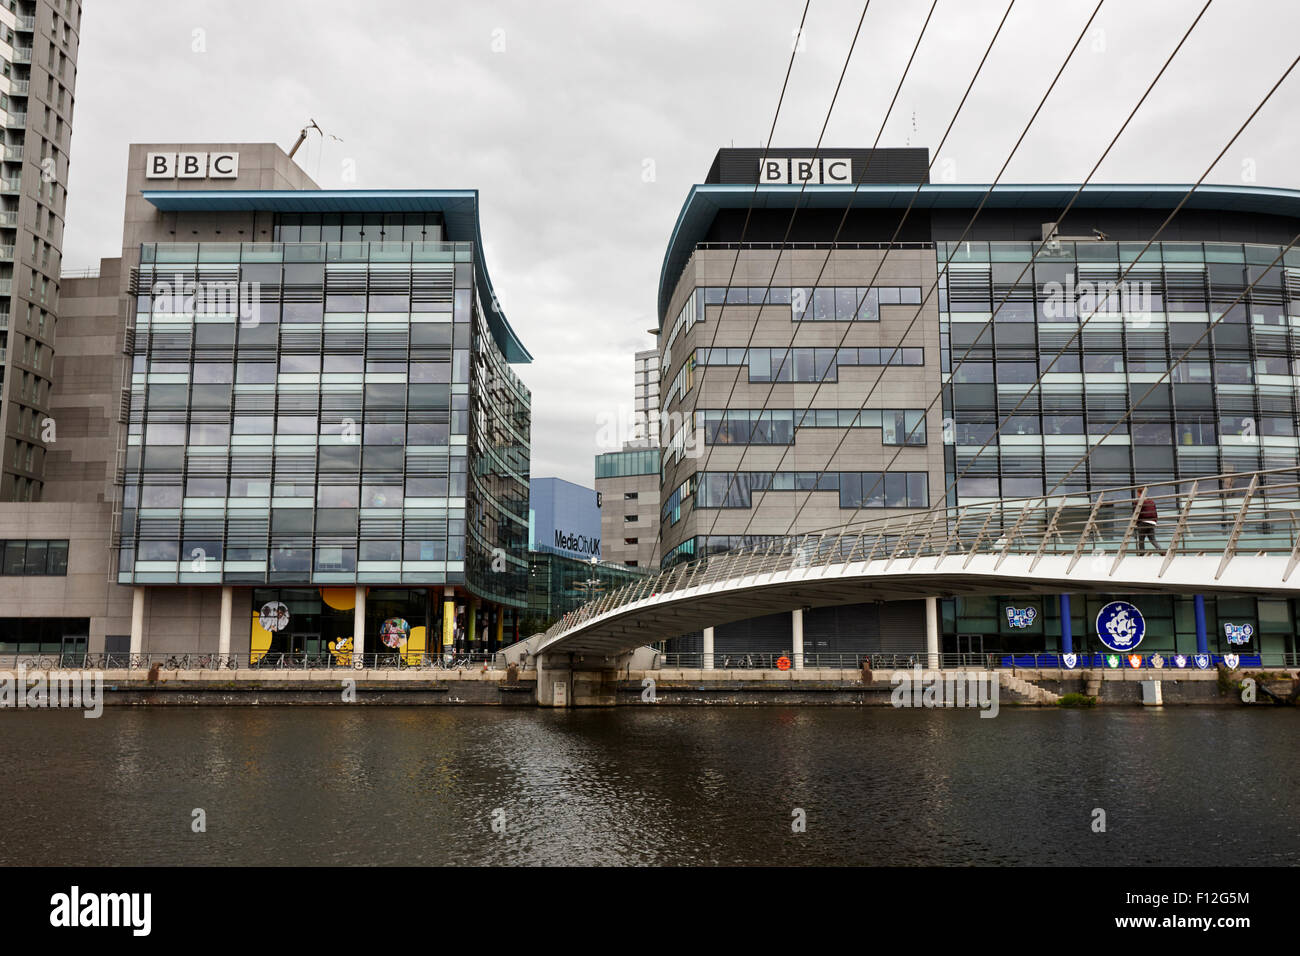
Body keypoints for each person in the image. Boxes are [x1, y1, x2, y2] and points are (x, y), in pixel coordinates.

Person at [1135, 487, 1159, 554]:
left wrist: (1137, 523)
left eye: (1137, 493)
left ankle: (1142, 554)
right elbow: (1155, 512)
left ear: (1139, 493)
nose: (1137, 495)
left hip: (1144, 522)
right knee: (1152, 539)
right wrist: (1154, 521)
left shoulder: (1140, 501)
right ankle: (1161, 551)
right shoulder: (1151, 501)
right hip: (1152, 522)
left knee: (1141, 539)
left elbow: (1137, 513)